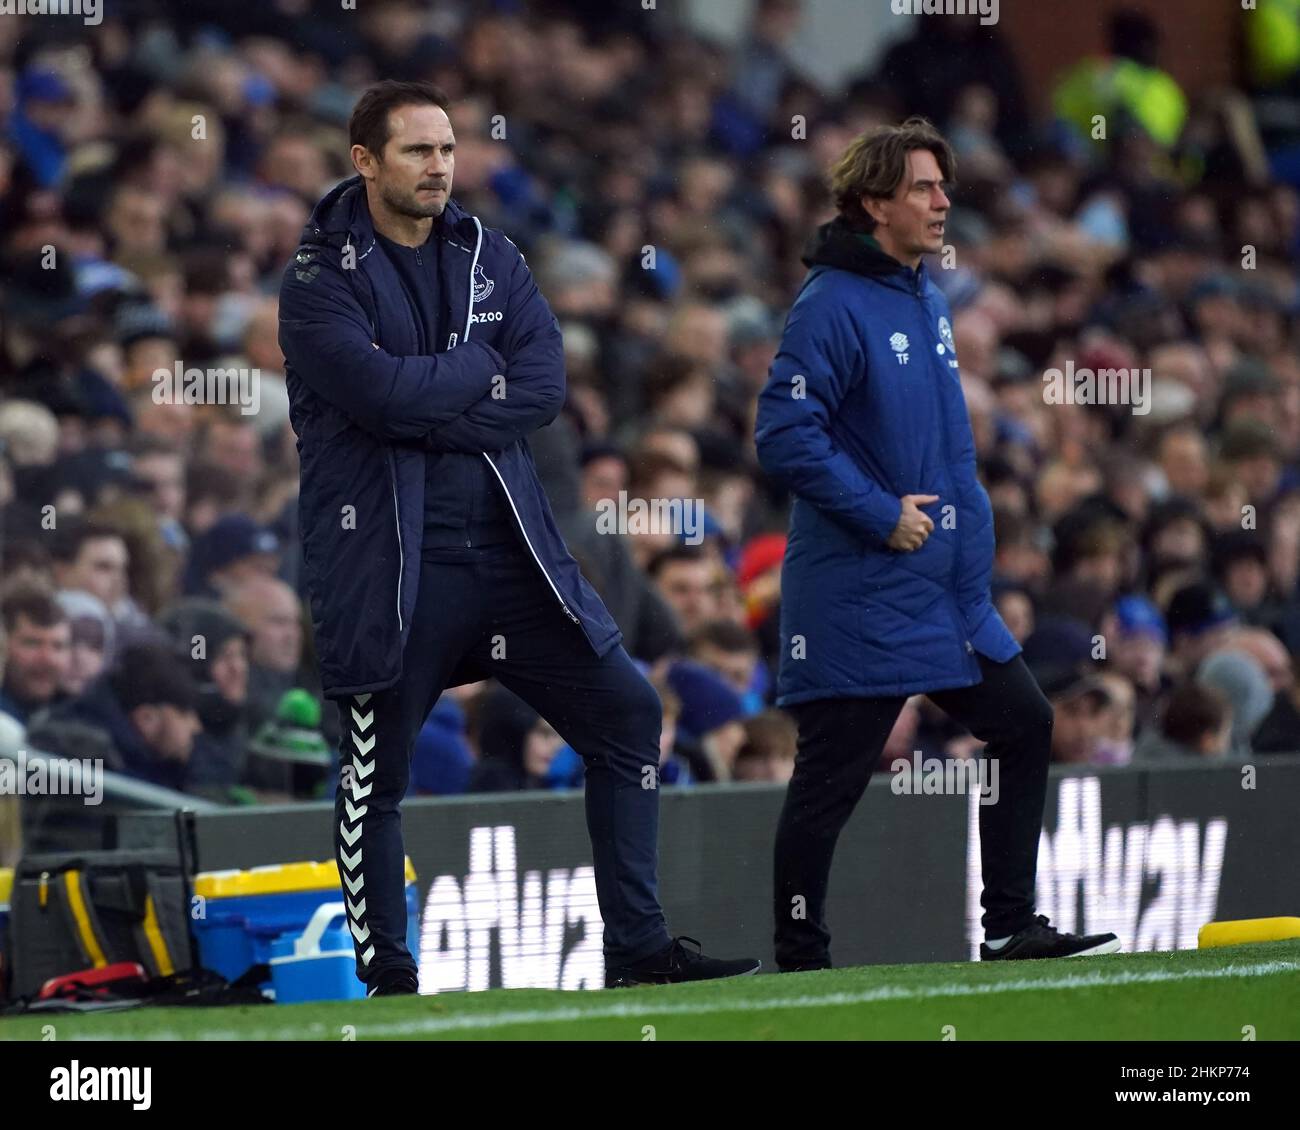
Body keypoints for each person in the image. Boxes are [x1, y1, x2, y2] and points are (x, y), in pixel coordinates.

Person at [277, 80, 757, 995]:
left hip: (511, 552)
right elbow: (375, 396)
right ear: (365, 161)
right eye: (417, 150)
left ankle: (639, 949)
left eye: (449, 149)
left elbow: (539, 392)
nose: (440, 167)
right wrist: (472, 374)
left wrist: (430, 399)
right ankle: (388, 973)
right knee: (375, 770)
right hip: (393, 562)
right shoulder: (317, 277)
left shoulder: (491, 254)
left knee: (625, 713)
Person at [755, 118, 1120, 971]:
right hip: (862, 590)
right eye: (923, 187)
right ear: (875, 202)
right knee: (828, 783)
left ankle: (1008, 926)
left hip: (941, 592)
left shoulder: (921, 292)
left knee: (1026, 723)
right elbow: (783, 435)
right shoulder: (832, 305)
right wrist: (880, 513)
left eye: (943, 186)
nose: (943, 200)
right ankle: (799, 956)